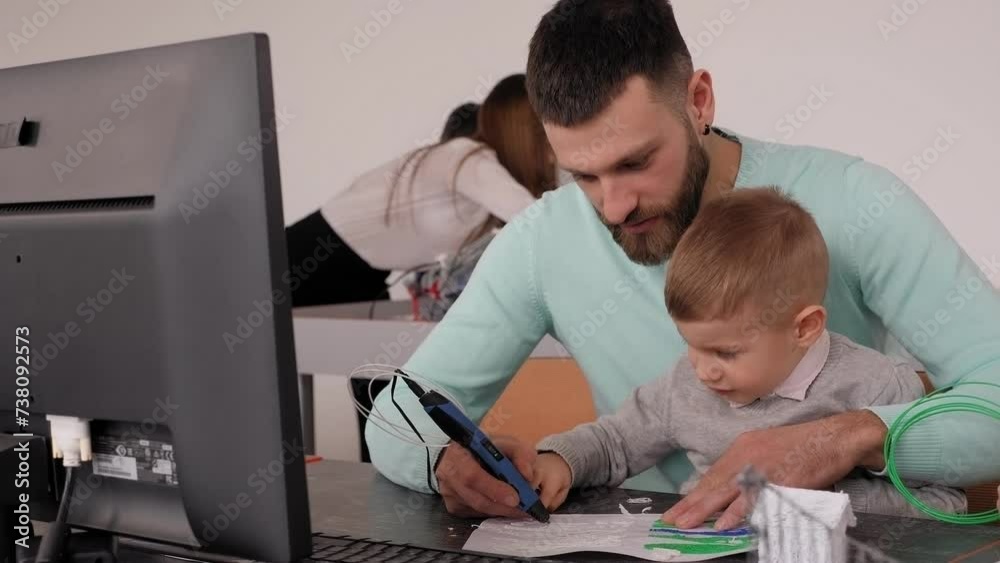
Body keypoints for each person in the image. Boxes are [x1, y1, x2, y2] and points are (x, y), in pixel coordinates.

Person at [365, 0, 1000, 529]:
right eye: (583, 174)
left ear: (699, 101)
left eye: (636, 162)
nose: (613, 207)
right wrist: (442, 462)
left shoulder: (857, 201)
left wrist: (846, 437)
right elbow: (400, 417)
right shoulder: (542, 240)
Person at [529, 187, 967, 521]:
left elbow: (945, 503)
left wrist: (822, 504)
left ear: (804, 328)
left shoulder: (879, 386)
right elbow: (615, 442)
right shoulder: (684, 384)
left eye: (727, 352)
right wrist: (558, 461)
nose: (701, 369)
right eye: (691, 344)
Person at [285, 74, 555, 307]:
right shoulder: (469, 159)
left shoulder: (480, 182)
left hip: (363, 272)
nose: (553, 158)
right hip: (312, 256)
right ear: (525, 136)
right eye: (547, 143)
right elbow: (538, 222)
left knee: (379, 363)